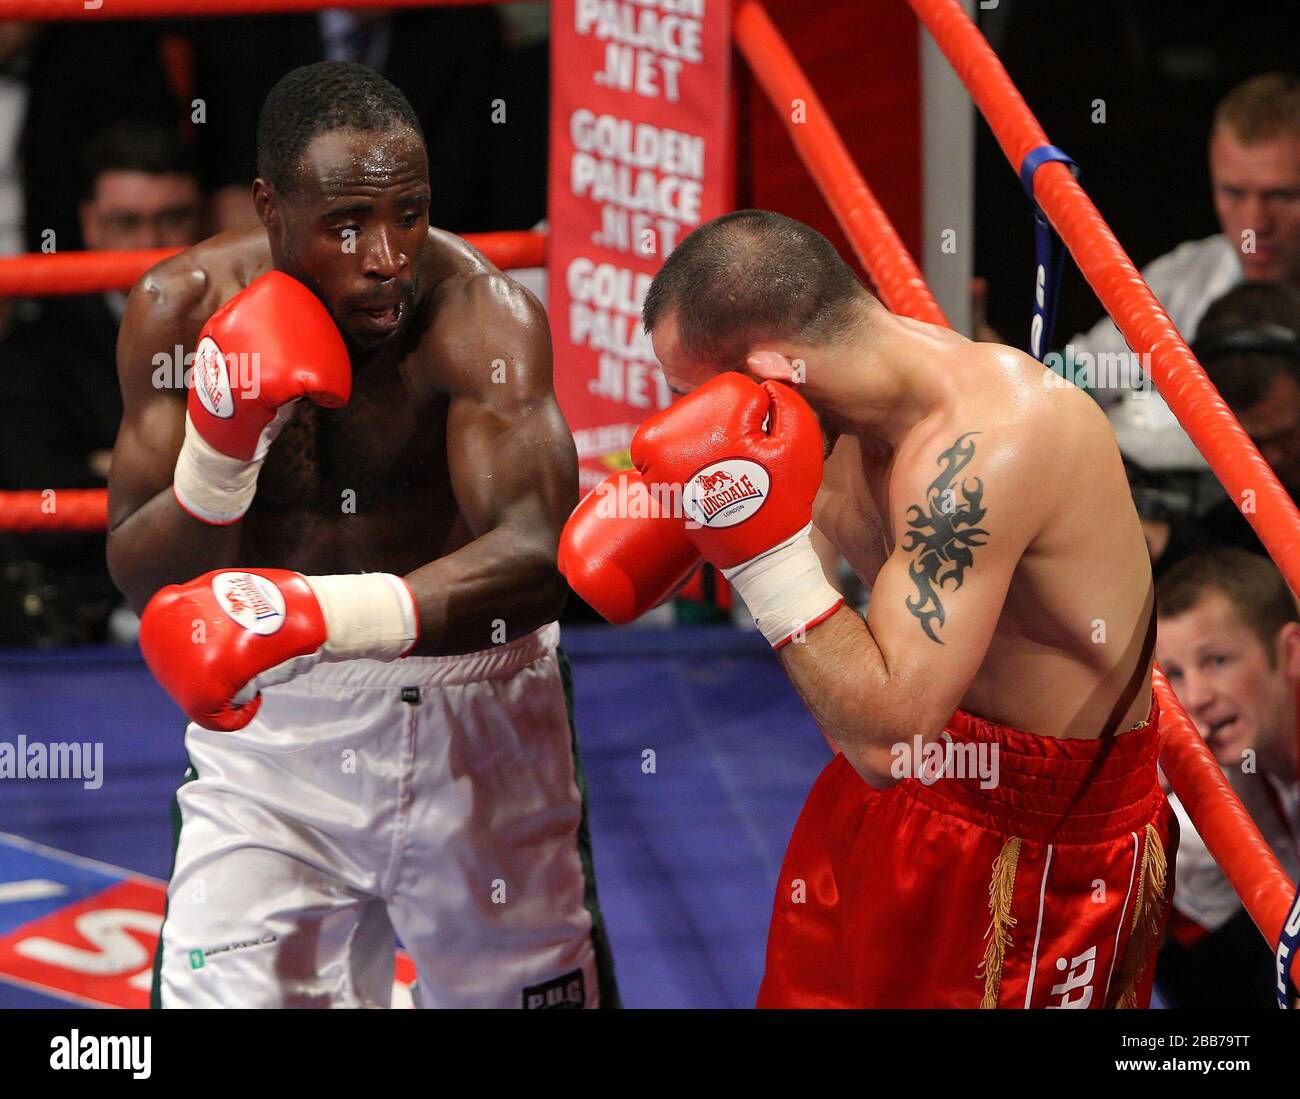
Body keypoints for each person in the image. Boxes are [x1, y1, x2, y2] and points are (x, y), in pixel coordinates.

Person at [565, 209, 1173, 1008]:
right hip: (889, 802)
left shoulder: (991, 444)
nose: (687, 420)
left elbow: (889, 738)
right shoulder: (840, 424)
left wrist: (756, 547)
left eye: (690, 396)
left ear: (769, 373)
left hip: (1033, 852)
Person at [107, 61, 616, 1008]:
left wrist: (311, 610)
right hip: (277, 727)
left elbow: (541, 557)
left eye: (410, 213)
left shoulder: (480, 318)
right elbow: (139, 574)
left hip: (478, 713)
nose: (387, 256)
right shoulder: (179, 311)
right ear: (271, 207)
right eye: (346, 225)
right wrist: (216, 458)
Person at [0, 119, 201, 645]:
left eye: (172, 218)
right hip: (85, 616)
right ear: (90, 225)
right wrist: (201, 466)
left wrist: (113, 462)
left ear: (200, 219)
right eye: (126, 223)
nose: (151, 245)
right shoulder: (39, 347)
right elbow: (41, 486)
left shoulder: (242, 326)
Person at [1066, 72, 1300, 474]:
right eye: (1233, 193)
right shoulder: (1185, 278)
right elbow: (1074, 378)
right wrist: (996, 366)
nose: (1253, 224)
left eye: (1282, 195)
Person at [1153, 549, 1299, 1008]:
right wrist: (1146, 788)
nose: (1194, 697)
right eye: (1174, 673)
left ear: (1291, 651)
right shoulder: (1232, 775)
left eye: (1217, 661)